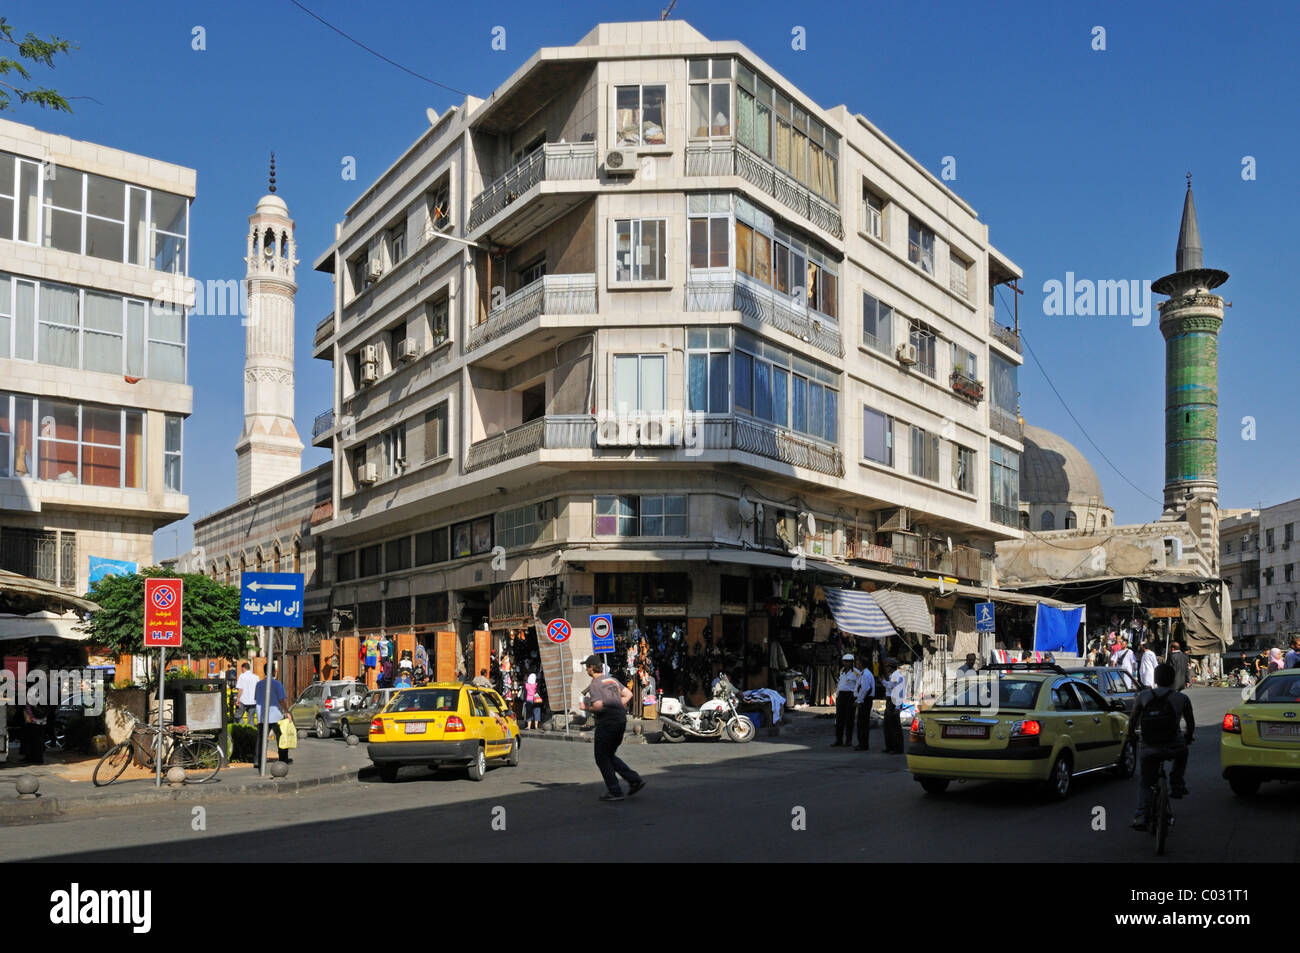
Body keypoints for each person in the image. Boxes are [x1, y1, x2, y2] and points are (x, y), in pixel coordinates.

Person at [1130, 662, 1194, 831]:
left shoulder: (1143, 696)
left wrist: (1131, 736)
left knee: (1145, 782)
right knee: (1183, 753)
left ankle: (1142, 814)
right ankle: (1177, 782)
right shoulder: (1181, 698)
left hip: (1149, 747)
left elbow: (1133, 721)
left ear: (1155, 679)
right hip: (1174, 745)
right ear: (1173, 679)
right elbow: (1190, 724)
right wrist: (1188, 738)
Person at [581, 654, 645, 802]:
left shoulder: (595, 684)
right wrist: (616, 704)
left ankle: (615, 791)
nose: (586, 670)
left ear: (591, 668)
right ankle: (634, 780)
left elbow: (597, 706)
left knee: (602, 758)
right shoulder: (612, 680)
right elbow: (628, 694)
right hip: (620, 721)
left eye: (586, 667)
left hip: (607, 723)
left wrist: (586, 707)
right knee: (608, 755)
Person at [255, 663, 292, 768]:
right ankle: (283, 759)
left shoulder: (259, 684)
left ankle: (258, 760)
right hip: (276, 715)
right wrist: (287, 711)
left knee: (261, 739)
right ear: (274, 671)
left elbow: (256, 698)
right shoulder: (277, 684)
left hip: (262, 716)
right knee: (281, 738)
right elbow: (281, 700)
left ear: (264, 671)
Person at [831, 653, 860, 747]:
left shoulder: (856, 673)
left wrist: (857, 699)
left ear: (852, 662)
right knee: (839, 719)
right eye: (845, 661)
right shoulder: (842, 671)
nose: (846, 663)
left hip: (850, 696)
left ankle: (848, 740)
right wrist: (837, 695)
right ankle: (838, 740)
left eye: (848, 662)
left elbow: (858, 686)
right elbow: (840, 684)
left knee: (849, 719)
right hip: (841, 696)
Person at [882, 661, 906, 754]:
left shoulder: (896, 676)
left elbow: (899, 691)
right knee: (888, 725)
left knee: (895, 726)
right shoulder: (894, 675)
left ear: (890, 667)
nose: (887, 669)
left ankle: (897, 748)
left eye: (888, 667)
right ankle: (890, 746)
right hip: (890, 701)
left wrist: (898, 706)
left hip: (894, 701)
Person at [853, 657, 876, 751]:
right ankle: (861, 743)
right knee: (861, 723)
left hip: (865, 700)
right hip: (864, 700)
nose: (856, 664)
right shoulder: (863, 674)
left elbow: (865, 689)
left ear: (861, 664)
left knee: (862, 723)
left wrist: (859, 701)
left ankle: (863, 744)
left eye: (858, 663)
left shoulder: (866, 674)